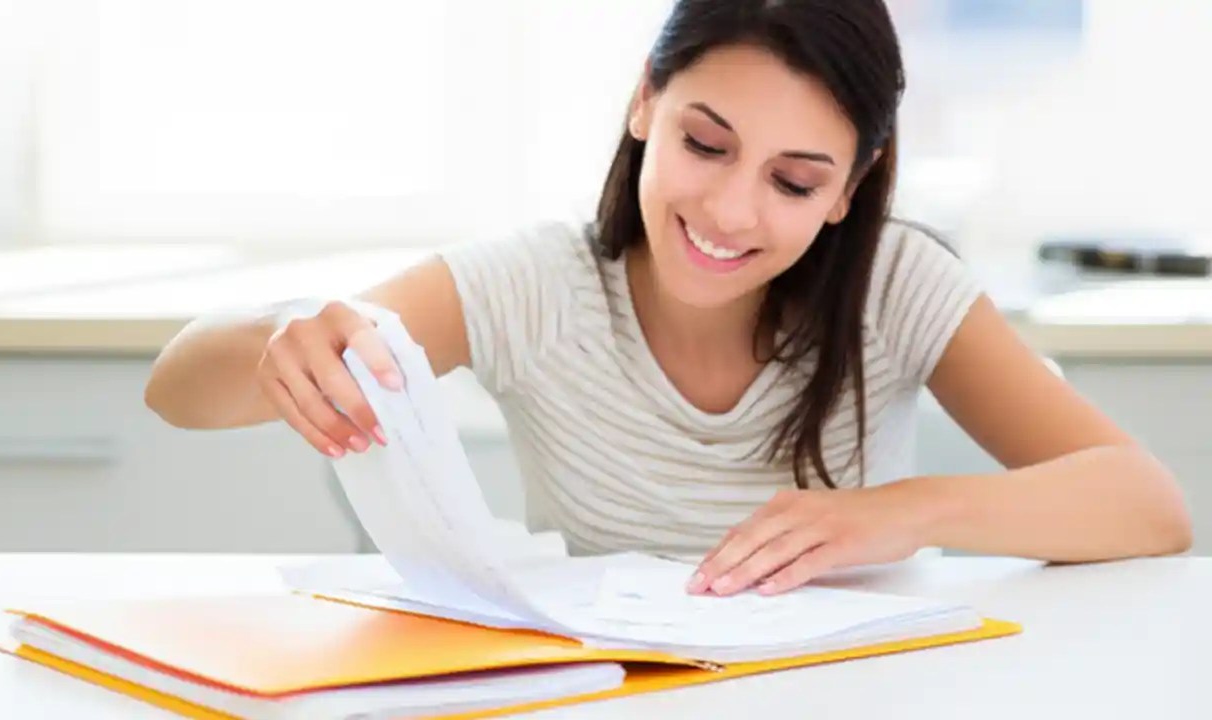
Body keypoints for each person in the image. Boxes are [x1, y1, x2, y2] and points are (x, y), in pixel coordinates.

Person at [144, 0, 1192, 597]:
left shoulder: (895, 285)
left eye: (792, 180)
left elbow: (1148, 507)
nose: (730, 212)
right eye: (704, 143)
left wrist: (904, 515)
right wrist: (286, 339)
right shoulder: (537, 286)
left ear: (850, 190)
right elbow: (178, 390)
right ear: (644, 101)